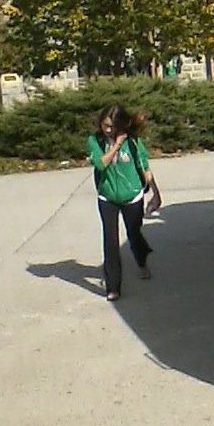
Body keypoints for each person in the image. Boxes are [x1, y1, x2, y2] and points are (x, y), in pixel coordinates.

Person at [87, 105, 162, 301]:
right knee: (110, 241)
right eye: (105, 126)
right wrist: (115, 146)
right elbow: (100, 163)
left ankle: (141, 261)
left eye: (112, 127)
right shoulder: (95, 140)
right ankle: (113, 287)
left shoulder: (134, 142)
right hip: (107, 196)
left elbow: (144, 167)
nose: (108, 130)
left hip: (132, 196)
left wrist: (155, 193)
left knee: (134, 234)